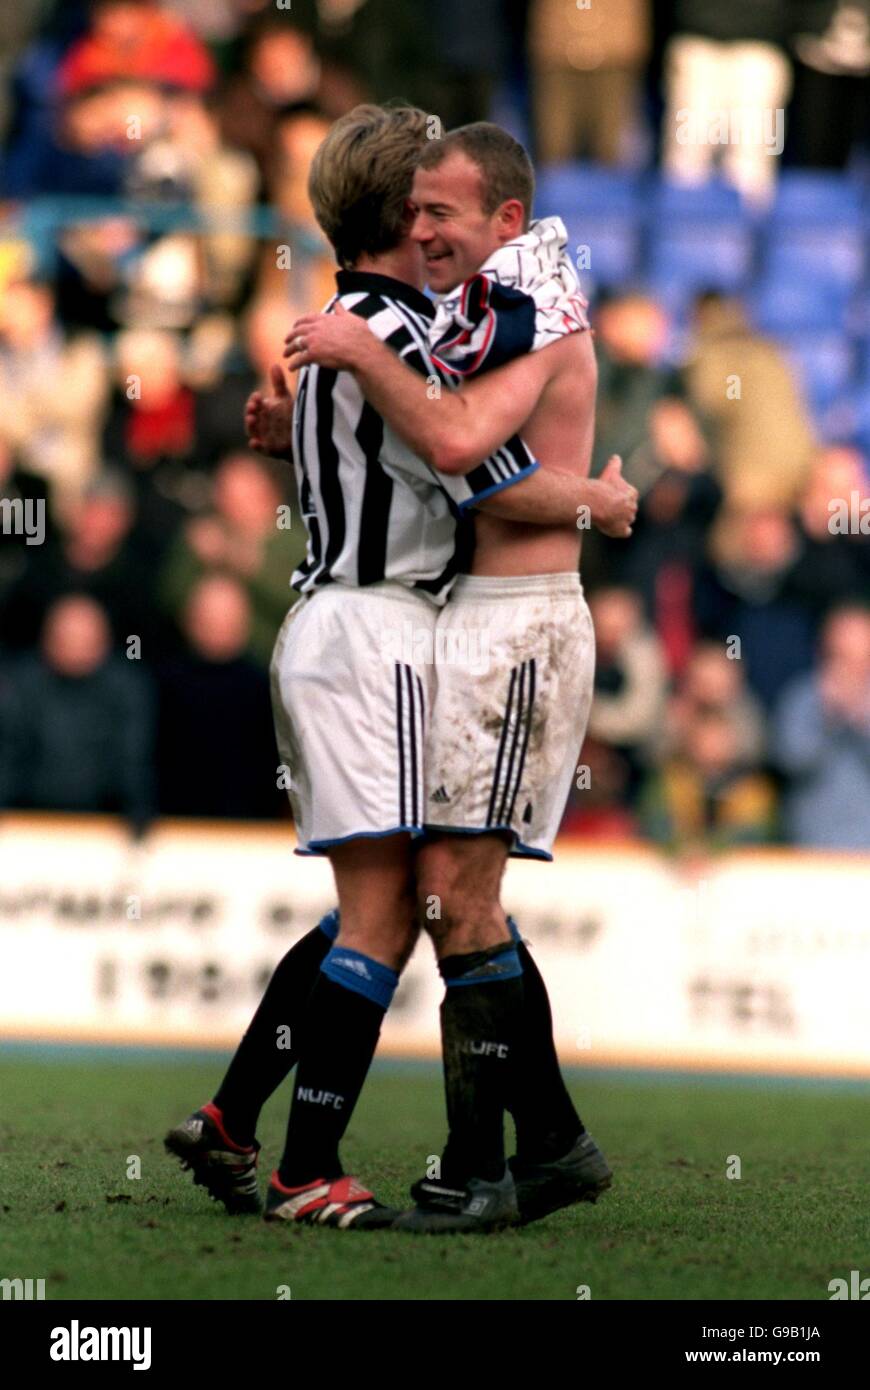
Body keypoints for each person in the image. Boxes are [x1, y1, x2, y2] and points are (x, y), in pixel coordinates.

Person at [166, 107, 637, 1232]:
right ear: (393, 211)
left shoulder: (366, 321)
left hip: (401, 626)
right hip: (386, 631)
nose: (430, 226)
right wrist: (600, 498)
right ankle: (323, 1163)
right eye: (418, 205)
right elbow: (465, 458)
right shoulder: (396, 329)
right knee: (400, 911)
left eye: (448, 209)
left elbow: (437, 428)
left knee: (399, 903)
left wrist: (297, 415)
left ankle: (263, 1125)